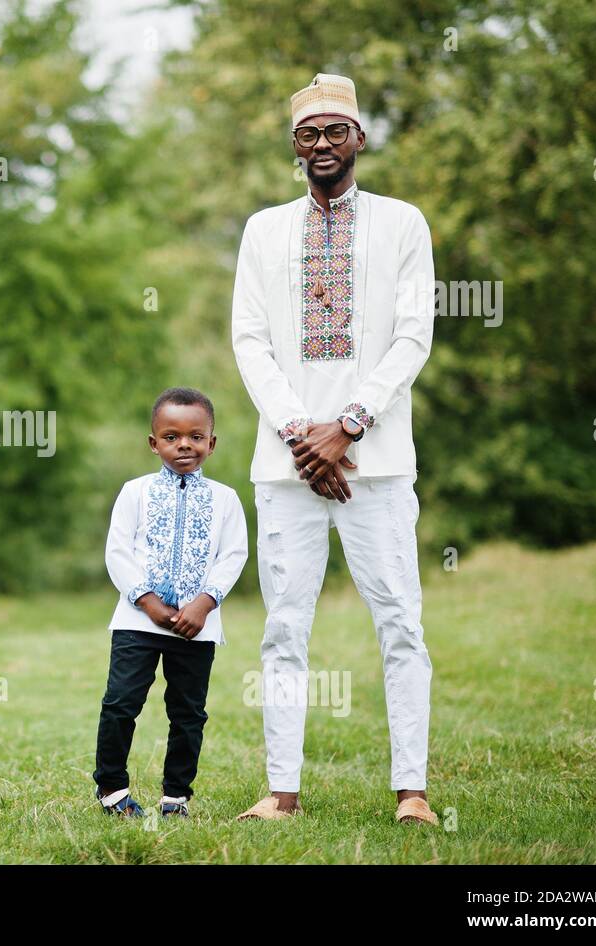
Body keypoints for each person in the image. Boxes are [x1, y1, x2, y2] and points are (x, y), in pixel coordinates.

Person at [230, 73, 438, 825]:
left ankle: (410, 790)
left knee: (401, 622)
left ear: (360, 138)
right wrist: (300, 435)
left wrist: (348, 424)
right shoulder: (263, 229)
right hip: (286, 470)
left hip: (376, 464)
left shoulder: (402, 224)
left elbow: (414, 334)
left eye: (335, 131)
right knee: (284, 625)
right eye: (308, 134)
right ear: (295, 145)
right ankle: (281, 790)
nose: (322, 145)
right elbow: (249, 340)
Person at [94, 387, 248, 818]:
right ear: (154, 442)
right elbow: (117, 552)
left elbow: (234, 554)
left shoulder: (225, 499)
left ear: (211, 443)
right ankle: (112, 789)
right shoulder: (135, 492)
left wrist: (204, 602)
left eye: (196, 436)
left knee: (188, 714)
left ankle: (175, 796)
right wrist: (147, 601)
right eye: (172, 436)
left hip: (196, 626)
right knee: (121, 704)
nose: (185, 444)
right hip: (137, 622)